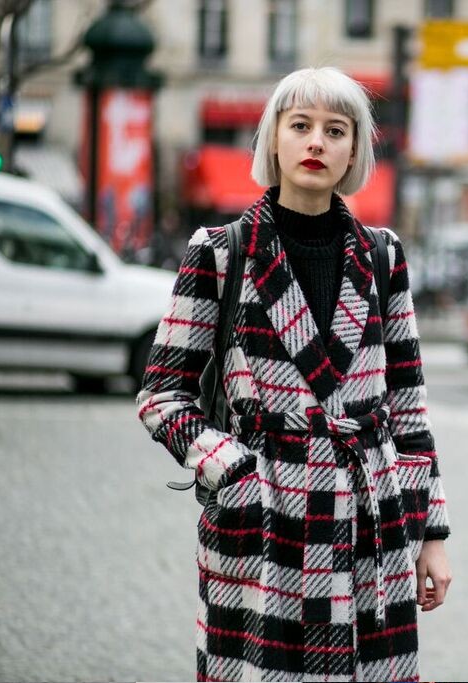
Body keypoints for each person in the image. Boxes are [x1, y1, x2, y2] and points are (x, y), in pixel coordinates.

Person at [135, 67, 451, 682]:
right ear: (273, 139)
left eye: (335, 130)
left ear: (354, 150)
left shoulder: (383, 255)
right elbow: (162, 395)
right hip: (264, 525)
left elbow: (408, 409)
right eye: (300, 125)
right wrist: (233, 470)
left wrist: (431, 534)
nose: (316, 142)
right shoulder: (220, 251)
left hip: (371, 528)